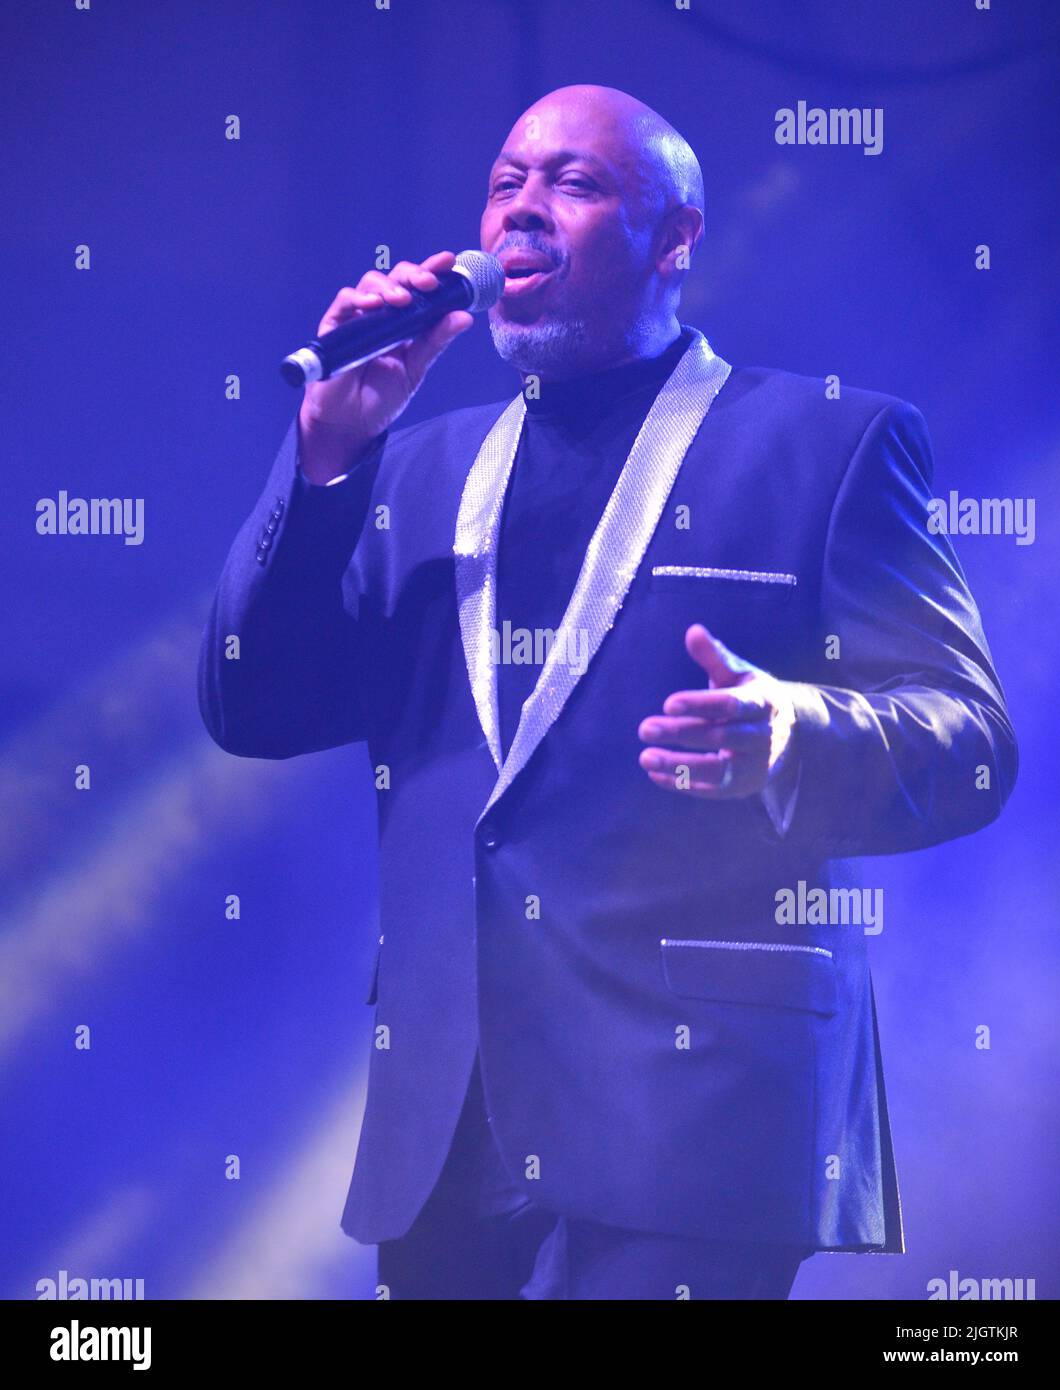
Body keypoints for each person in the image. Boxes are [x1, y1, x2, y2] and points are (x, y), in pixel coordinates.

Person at [197, 84, 1017, 1299]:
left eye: (575, 185)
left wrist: (798, 729)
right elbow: (252, 705)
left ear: (676, 240)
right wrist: (323, 463)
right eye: (506, 183)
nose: (522, 210)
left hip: (698, 1102)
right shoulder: (418, 465)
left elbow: (972, 736)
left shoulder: (827, 444)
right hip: (446, 1103)